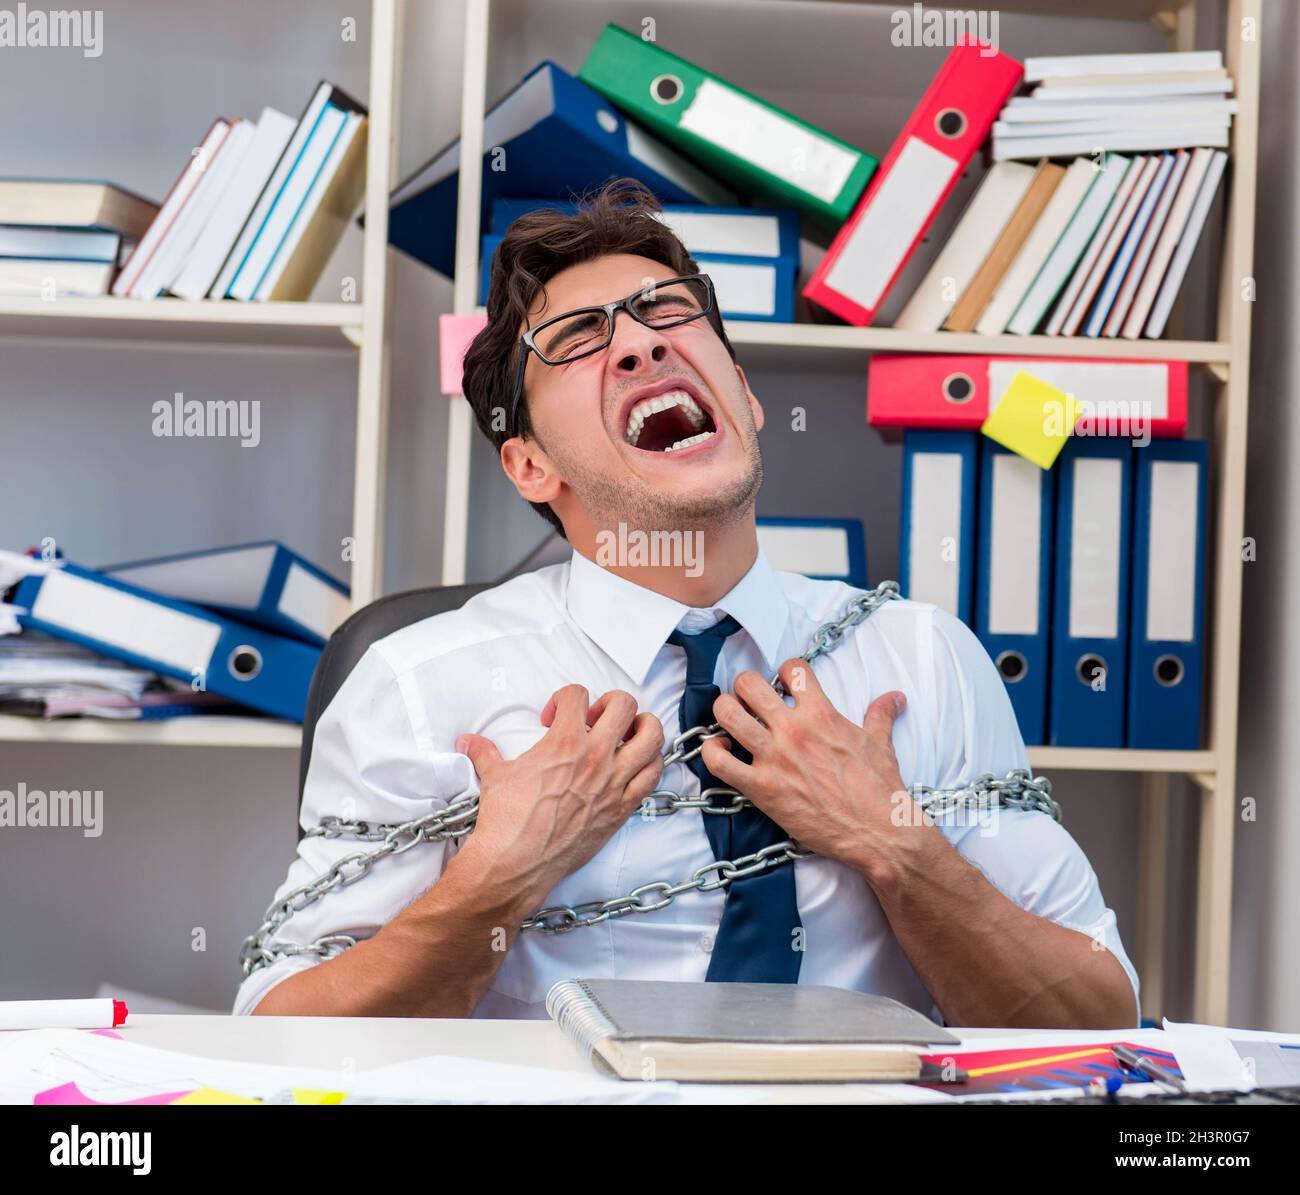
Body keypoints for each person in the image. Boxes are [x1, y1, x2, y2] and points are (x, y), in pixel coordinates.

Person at [234, 179, 1139, 1027]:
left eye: (669, 311)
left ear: (743, 395)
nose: (641, 340)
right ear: (530, 464)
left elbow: (1099, 1018)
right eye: (580, 339)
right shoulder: (420, 684)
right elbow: (277, 1037)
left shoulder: (926, 658)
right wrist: (497, 879)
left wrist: (896, 846)